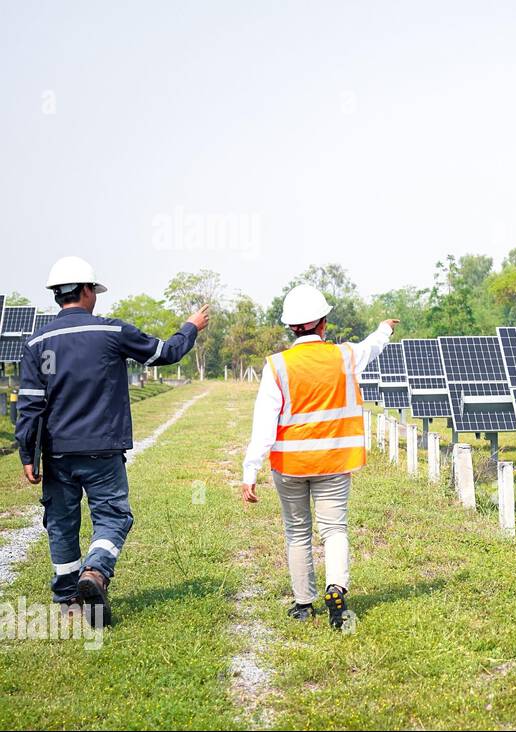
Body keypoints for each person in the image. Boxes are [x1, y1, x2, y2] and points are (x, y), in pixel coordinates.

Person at [15, 256, 210, 627]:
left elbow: (30, 403)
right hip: (103, 450)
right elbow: (165, 353)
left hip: (56, 452)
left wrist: (27, 452)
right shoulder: (111, 332)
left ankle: (68, 597)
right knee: (113, 516)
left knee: (61, 523)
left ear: (57, 295)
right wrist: (190, 327)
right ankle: (96, 572)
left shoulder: (37, 343)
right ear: (87, 291)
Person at [241, 283, 397, 628]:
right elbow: (371, 347)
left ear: (291, 327)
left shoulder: (277, 365)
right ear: (323, 323)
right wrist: (384, 328)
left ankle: (302, 604)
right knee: (334, 529)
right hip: (334, 461)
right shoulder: (344, 356)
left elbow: (264, 422)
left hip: (291, 465)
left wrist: (250, 470)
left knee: (297, 532)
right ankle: (336, 587)